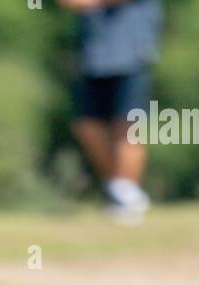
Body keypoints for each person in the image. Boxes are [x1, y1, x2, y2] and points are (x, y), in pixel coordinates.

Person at [57, 0, 162, 219]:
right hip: (94, 57)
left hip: (132, 53)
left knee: (128, 126)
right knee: (86, 125)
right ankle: (120, 190)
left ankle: (125, 192)